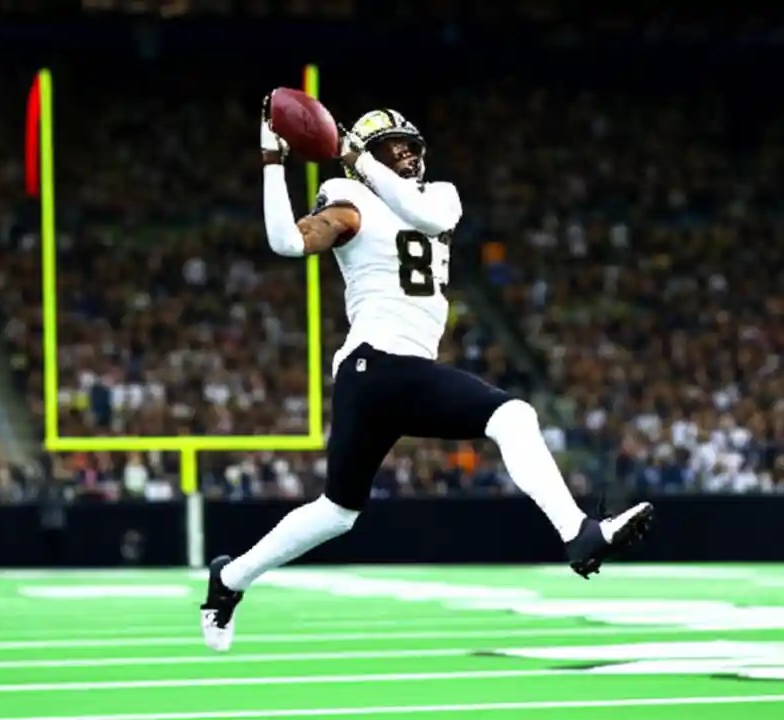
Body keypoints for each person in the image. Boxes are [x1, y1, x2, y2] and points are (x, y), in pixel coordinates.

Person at [199, 98, 654, 651]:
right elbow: (287, 243)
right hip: (377, 365)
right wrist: (274, 163)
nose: (409, 154)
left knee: (338, 512)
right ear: (365, 155)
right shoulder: (350, 198)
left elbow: (428, 217)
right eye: (396, 146)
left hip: (389, 374)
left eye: (412, 145)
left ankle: (229, 579)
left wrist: (359, 158)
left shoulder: (439, 195)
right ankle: (578, 533)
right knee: (511, 415)